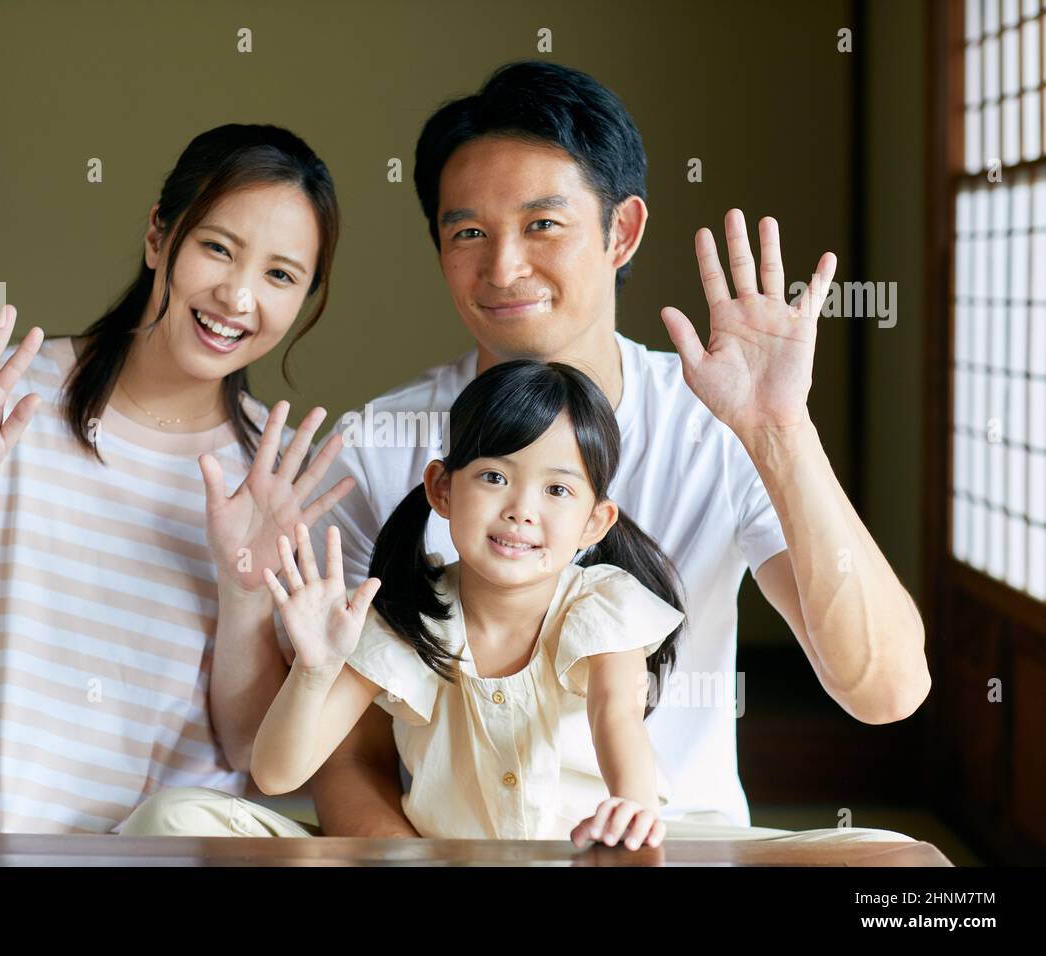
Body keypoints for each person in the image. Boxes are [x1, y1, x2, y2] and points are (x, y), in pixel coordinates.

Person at [175, 60, 928, 844]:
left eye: (543, 224)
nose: (503, 268)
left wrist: (779, 433)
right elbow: (343, 760)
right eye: (468, 231)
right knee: (178, 826)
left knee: (892, 868)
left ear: (621, 231)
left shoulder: (719, 421)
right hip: (444, 848)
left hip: (675, 844)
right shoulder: (376, 448)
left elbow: (887, 691)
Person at [0, 124, 353, 832]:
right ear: (157, 238)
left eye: (280, 275)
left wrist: (243, 591)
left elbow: (247, 748)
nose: (239, 297)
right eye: (217, 248)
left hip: (149, 854)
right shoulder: (8, 405)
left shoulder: (267, 483)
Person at [253, 360, 689, 849]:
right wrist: (311, 673)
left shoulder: (604, 604)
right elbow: (275, 776)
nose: (521, 509)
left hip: (593, 856)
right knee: (179, 815)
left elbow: (615, 713)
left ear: (594, 521)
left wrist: (632, 806)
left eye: (557, 489)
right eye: (494, 477)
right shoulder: (405, 617)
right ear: (443, 488)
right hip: (451, 862)